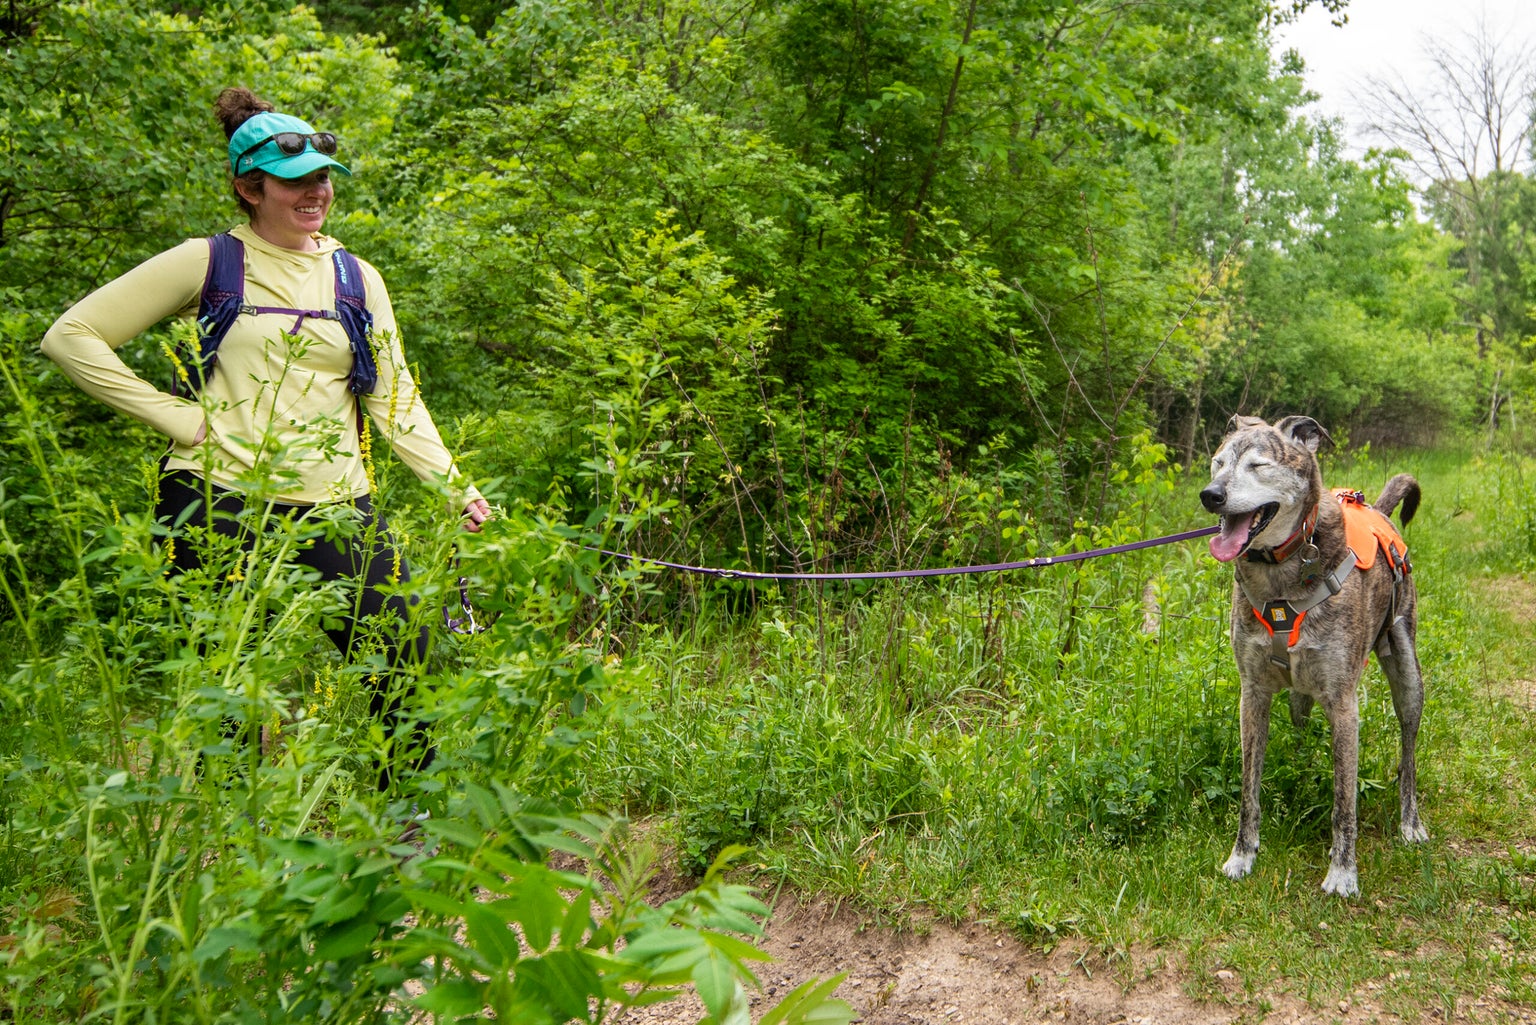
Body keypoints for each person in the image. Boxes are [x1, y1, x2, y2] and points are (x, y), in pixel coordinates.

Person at [41, 86, 490, 792]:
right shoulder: (208, 261)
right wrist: (177, 419)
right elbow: (71, 336)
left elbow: (394, 394)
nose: (316, 192)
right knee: (229, 683)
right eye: (295, 180)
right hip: (216, 497)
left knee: (403, 652)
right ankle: (237, 831)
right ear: (250, 189)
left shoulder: (355, 277)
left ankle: (407, 819)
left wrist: (454, 486)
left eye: (323, 177)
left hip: (337, 501)